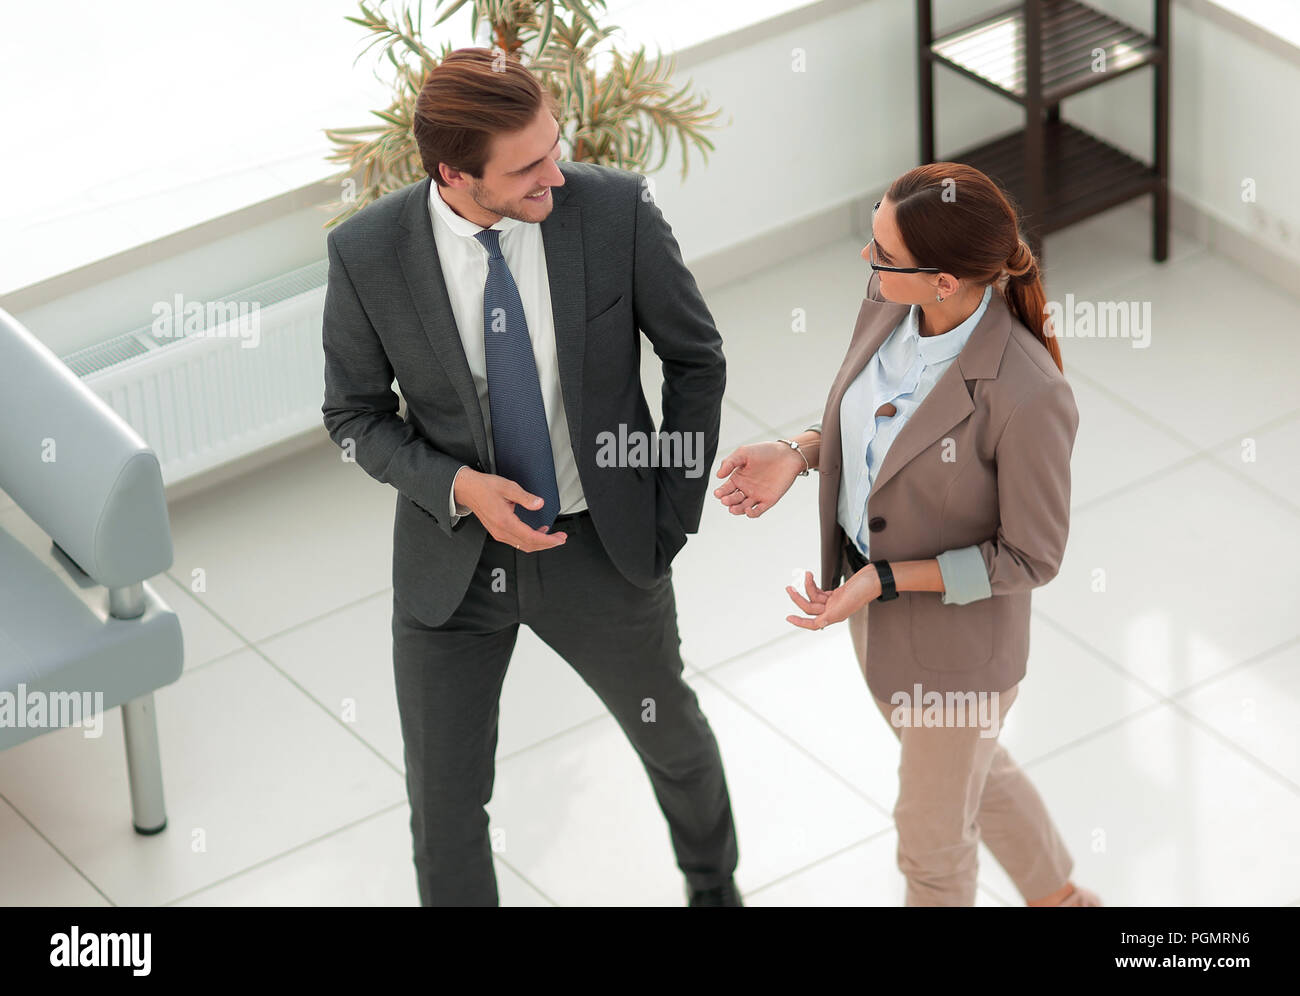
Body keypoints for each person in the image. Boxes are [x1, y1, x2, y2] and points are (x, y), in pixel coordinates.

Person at [321, 47, 740, 906]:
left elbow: (695, 359)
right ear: (455, 173)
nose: (558, 171)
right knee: (442, 805)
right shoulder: (367, 254)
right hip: (454, 566)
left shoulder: (611, 211)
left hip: (601, 545)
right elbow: (354, 419)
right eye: (529, 165)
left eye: (557, 145)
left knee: (672, 739)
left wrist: (673, 514)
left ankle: (714, 889)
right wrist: (457, 487)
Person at [713, 163, 1102, 907]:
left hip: (957, 654)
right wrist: (798, 452)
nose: (867, 262)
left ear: (945, 281)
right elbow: (878, 427)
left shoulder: (1027, 395)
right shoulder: (892, 301)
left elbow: (1033, 557)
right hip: (873, 612)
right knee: (967, 774)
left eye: (884, 255)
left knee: (929, 844)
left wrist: (886, 580)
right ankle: (1061, 899)